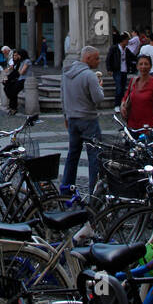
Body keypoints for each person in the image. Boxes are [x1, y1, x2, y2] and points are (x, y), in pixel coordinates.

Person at [60, 45, 104, 194]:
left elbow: (62, 96)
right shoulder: (89, 75)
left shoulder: (66, 73)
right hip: (88, 119)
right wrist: (100, 87)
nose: (99, 61)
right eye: (96, 58)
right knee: (94, 157)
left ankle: (65, 190)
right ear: (87, 58)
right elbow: (98, 99)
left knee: (72, 155)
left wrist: (65, 115)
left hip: (72, 119)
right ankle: (95, 194)